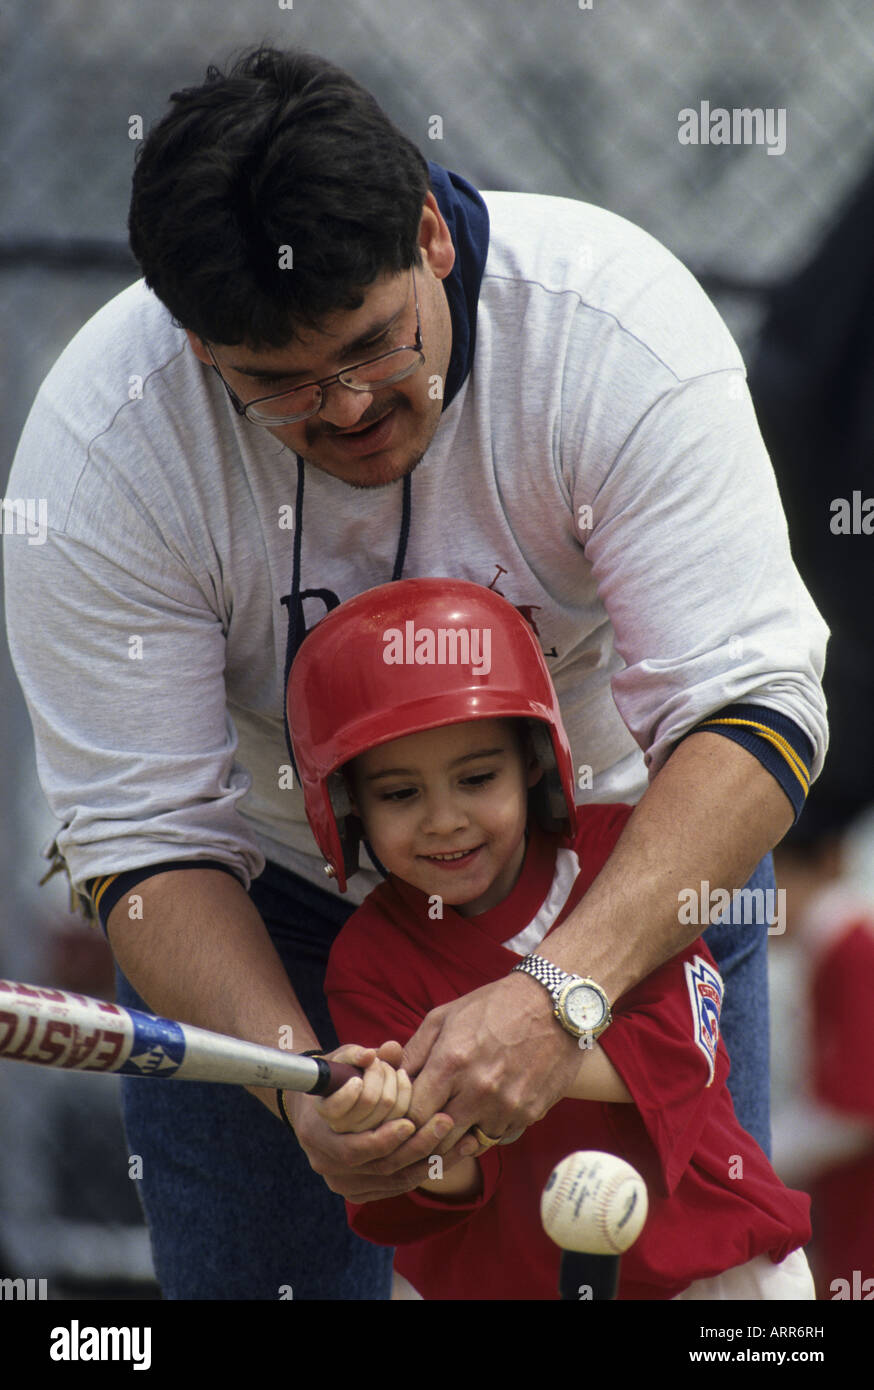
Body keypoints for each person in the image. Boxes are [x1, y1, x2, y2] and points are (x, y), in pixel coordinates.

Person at [3, 45, 827, 1298]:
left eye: (372, 349)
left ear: (432, 237)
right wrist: (294, 1086)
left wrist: (562, 994)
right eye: (278, 386)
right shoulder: (101, 456)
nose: (344, 410)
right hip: (274, 901)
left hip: (619, 859)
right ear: (192, 342)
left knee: (705, 1286)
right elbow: (145, 834)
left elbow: (753, 705)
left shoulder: (613, 333)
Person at [288, 577, 815, 1300]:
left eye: (477, 777)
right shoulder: (369, 959)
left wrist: (495, 1061)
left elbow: (684, 1053)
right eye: (400, 794)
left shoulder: (620, 865)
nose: (444, 820)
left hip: (716, 1271)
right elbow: (441, 1187)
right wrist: (395, 1125)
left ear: (534, 761)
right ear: (348, 806)